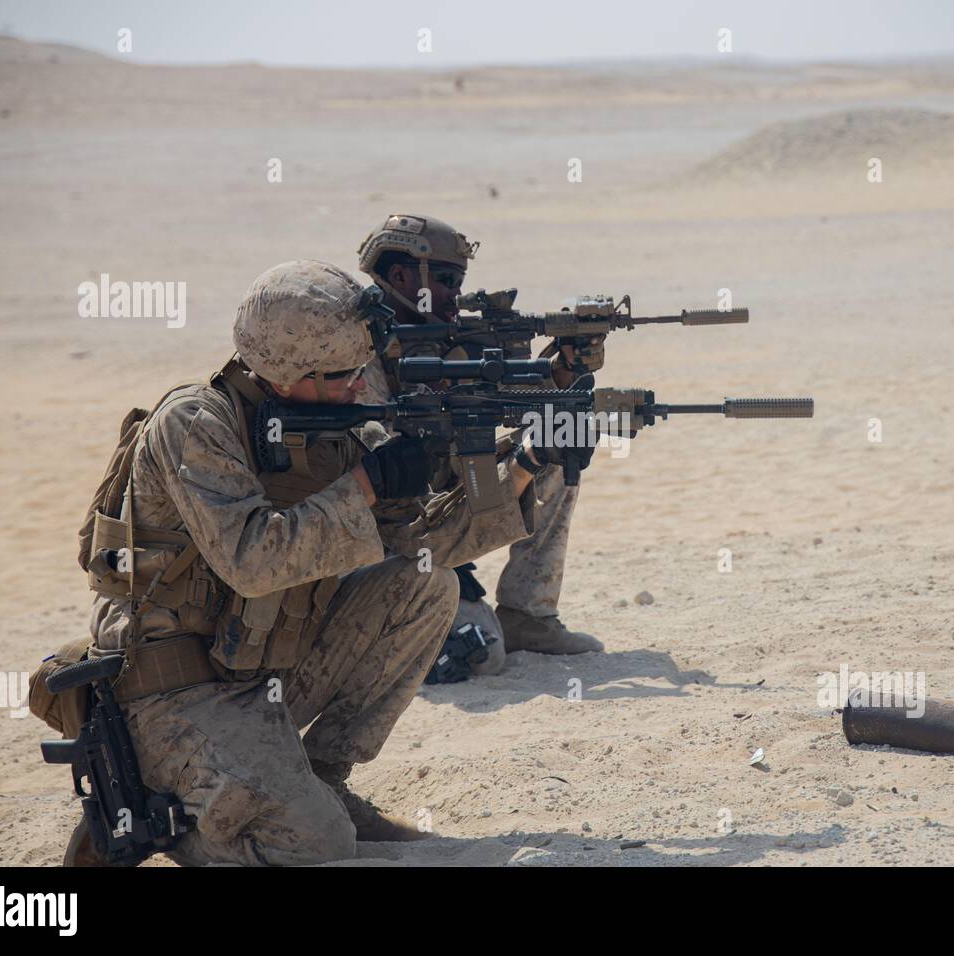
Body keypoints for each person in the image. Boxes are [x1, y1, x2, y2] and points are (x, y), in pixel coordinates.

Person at [71, 259, 582, 865]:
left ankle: (323, 779)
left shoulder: (331, 427)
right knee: (315, 845)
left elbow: (426, 544)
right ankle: (149, 827)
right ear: (288, 370)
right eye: (341, 374)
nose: (357, 386)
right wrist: (365, 484)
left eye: (361, 369)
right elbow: (252, 559)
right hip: (173, 692)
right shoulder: (195, 424)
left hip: (255, 669)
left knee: (425, 587)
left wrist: (527, 461)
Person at [356, 214, 605, 677]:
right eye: (447, 280)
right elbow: (389, 487)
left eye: (459, 281)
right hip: (391, 542)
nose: (455, 293)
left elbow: (517, 395)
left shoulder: (450, 341)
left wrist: (564, 370)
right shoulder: (357, 360)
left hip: (446, 507)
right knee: (483, 657)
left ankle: (527, 616)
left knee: (556, 451)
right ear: (400, 277)